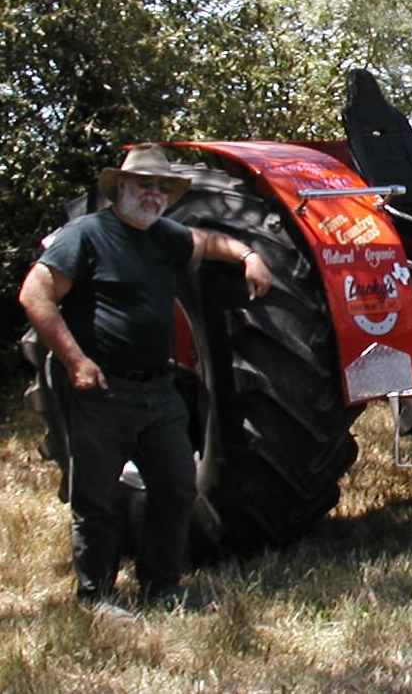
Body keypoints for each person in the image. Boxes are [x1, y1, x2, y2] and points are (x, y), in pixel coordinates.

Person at [18, 144, 273, 617]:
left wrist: (249, 255)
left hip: (158, 390)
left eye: (161, 187)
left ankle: (161, 585)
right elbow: (35, 294)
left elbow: (208, 242)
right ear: (120, 188)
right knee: (97, 498)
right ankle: (96, 595)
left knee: (176, 489)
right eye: (143, 185)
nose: (153, 194)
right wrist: (76, 361)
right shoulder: (88, 236)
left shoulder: (163, 236)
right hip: (101, 389)